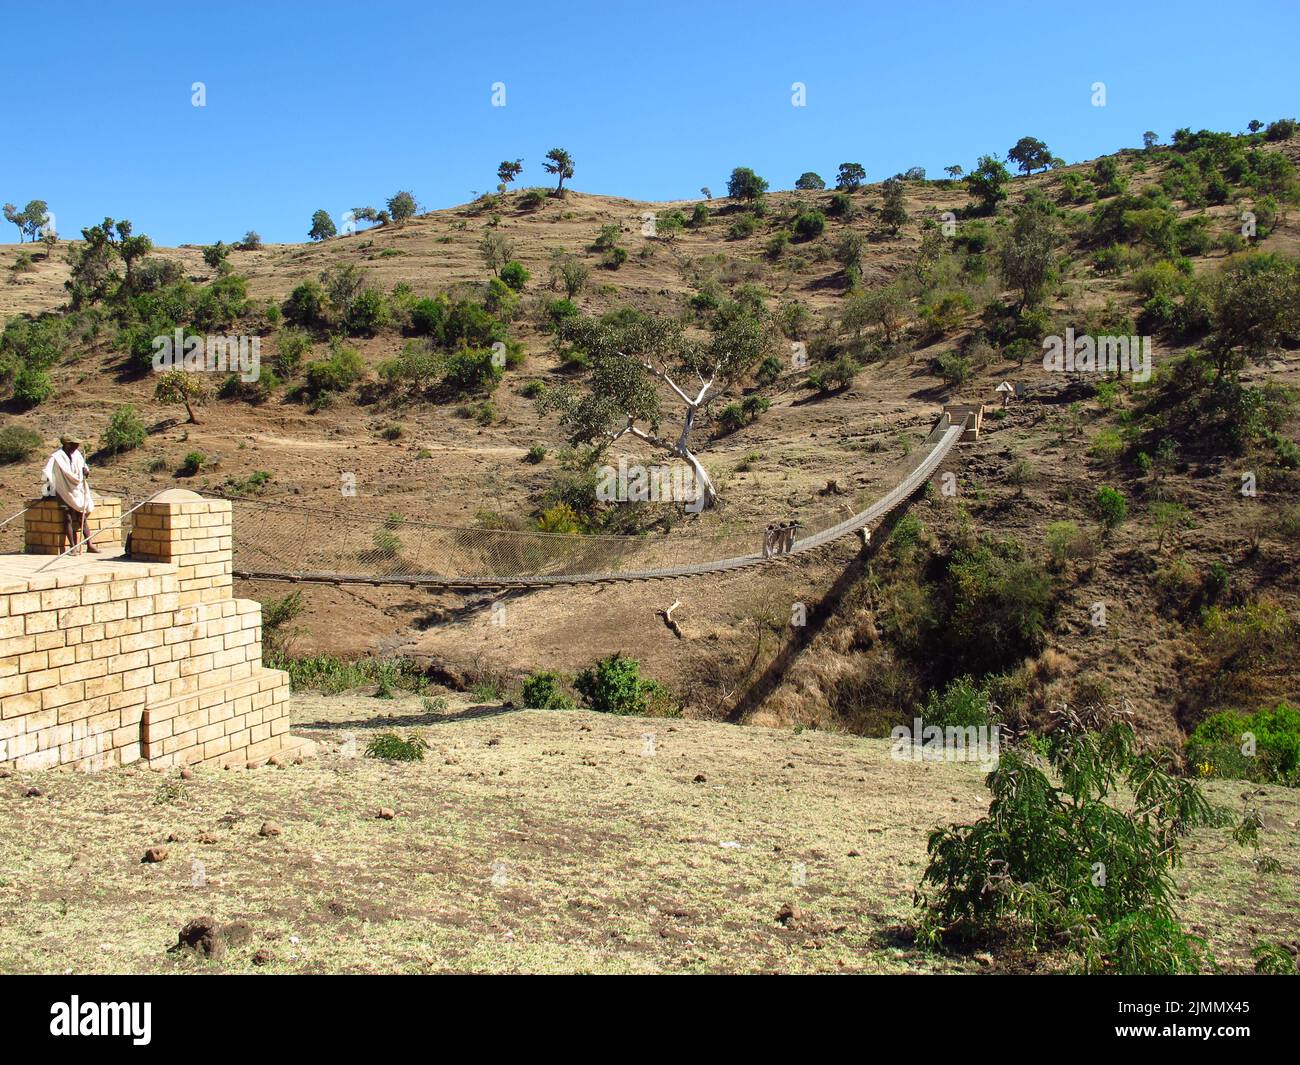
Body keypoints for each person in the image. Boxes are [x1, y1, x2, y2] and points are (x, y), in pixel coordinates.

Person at [41, 434, 100, 553]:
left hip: (77, 489)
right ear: (67, 444)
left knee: (81, 517)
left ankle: (89, 544)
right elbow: (48, 474)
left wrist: (86, 472)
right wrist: (46, 491)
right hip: (63, 489)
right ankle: (73, 547)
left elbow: (86, 472)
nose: (77, 446)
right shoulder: (56, 457)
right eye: (75, 444)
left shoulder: (77, 455)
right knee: (67, 517)